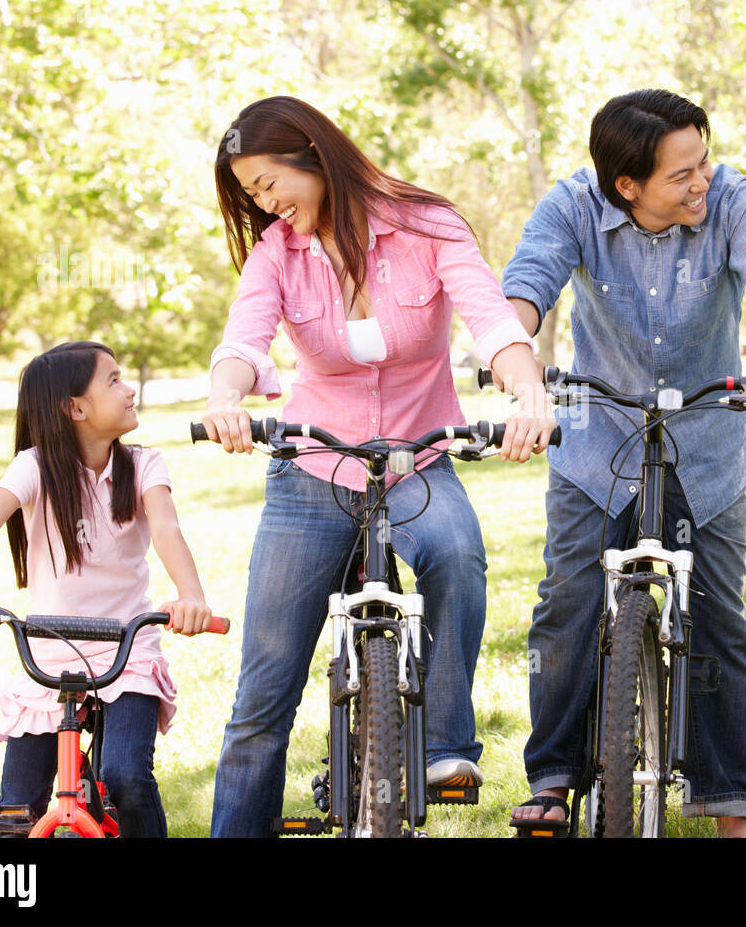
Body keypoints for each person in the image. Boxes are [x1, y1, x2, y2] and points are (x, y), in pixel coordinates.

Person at [200, 96, 554, 837]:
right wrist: (226, 397)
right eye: (252, 195)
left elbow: (490, 318)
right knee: (263, 695)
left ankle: (445, 746)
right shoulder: (278, 254)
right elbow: (244, 337)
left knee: (458, 555)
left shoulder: (428, 224)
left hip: (417, 461)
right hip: (313, 472)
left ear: (312, 153)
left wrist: (528, 391)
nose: (266, 205)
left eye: (270, 183)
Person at [502, 88, 746, 837]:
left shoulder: (733, 198)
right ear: (627, 186)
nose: (701, 180)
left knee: (721, 624)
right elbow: (524, 290)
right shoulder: (573, 205)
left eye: (703, 161)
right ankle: (553, 777)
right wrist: (519, 377)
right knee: (567, 608)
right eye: (682, 174)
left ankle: (725, 801)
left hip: (707, 440)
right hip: (596, 439)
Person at [0, 341, 214, 837]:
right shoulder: (34, 468)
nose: (129, 387)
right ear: (74, 408)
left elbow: (167, 531)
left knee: (126, 778)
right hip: (50, 656)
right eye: (113, 381)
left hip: (127, 651)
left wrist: (191, 595)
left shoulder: (143, 466)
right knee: (16, 812)